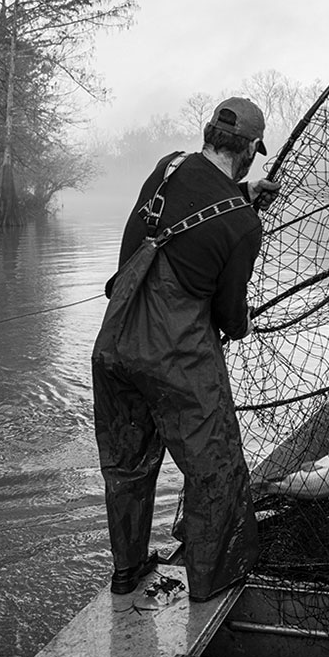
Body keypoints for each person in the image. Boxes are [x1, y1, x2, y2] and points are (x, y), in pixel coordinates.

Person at [91, 96, 278, 601]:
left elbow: (187, 208)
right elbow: (229, 318)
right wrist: (244, 209)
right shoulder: (242, 224)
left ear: (210, 136)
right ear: (250, 151)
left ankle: (127, 572)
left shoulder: (166, 167)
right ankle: (212, 586)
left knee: (126, 466)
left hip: (114, 343)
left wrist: (242, 193)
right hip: (175, 357)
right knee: (214, 468)